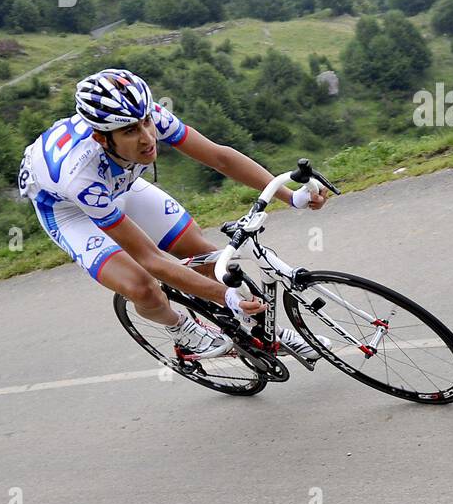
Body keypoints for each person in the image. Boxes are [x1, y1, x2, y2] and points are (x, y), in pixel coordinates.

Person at [18, 67, 328, 360]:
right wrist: (225, 296)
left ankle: (264, 334)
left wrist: (289, 196)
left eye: (146, 123)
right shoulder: (80, 176)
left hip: (117, 185)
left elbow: (220, 158)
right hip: (69, 210)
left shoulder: (145, 115)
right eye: (130, 131)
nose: (147, 137)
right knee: (142, 285)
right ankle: (180, 327)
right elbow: (150, 259)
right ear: (102, 138)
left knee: (207, 256)